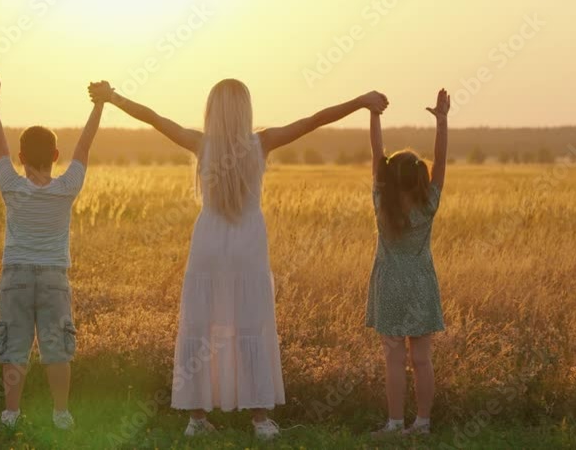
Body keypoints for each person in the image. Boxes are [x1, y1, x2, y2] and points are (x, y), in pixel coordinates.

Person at [89, 79, 388, 439]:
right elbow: (314, 120)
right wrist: (360, 100)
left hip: (209, 244)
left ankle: (196, 420)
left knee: (201, 326)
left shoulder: (200, 143)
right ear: (245, 110)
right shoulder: (262, 142)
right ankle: (260, 420)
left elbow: (153, 117)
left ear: (212, 110)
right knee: (251, 325)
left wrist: (112, 97)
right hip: (248, 245)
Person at [0, 83, 105, 429]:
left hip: (15, 277)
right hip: (54, 277)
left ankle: (10, 414)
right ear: (55, 156)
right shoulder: (66, 189)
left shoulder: (11, 185)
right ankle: (61, 413)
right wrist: (100, 105)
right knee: (57, 349)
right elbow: (85, 143)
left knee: (14, 348)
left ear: (20, 159)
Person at [367, 89, 450, 438]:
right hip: (421, 285)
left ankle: (395, 423)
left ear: (388, 178)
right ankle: (423, 423)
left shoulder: (383, 203)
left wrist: (374, 115)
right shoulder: (428, 203)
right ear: (420, 178)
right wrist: (442, 121)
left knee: (393, 360)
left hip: (389, 286)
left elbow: (376, 155)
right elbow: (441, 163)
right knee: (422, 359)